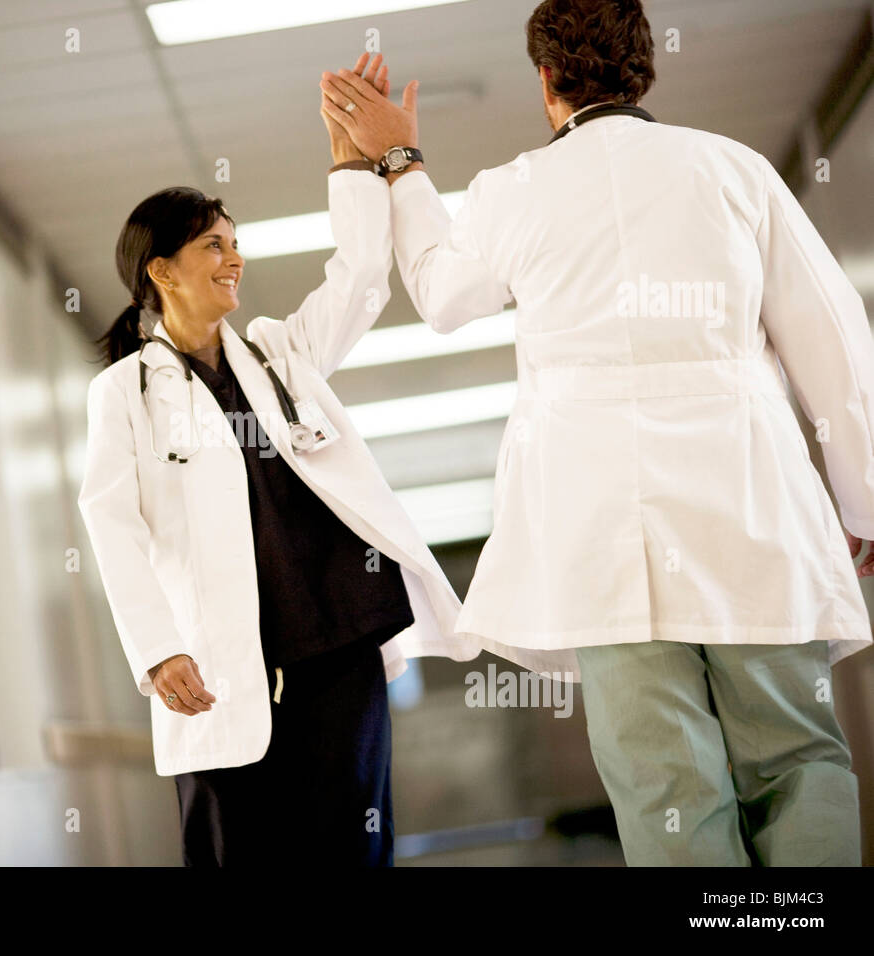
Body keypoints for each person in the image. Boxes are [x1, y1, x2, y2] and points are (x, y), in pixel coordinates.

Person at [320, 0, 874, 866]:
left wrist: (399, 161)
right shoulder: (733, 170)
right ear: (644, 65)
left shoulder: (517, 190)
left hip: (604, 537)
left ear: (547, 80)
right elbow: (836, 346)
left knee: (667, 791)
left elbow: (442, 294)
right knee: (799, 759)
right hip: (753, 515)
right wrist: (862, 502)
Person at [78, 54, 569, 867]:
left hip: (335, 641)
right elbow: (111, 525)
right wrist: (157, 648)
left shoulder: (277, 351)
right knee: (236, 849)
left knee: (353, 843)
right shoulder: (124, 394)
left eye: (235, 244)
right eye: (211, 246)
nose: (233, 260)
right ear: (160, 270)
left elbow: (362, 281)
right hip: (218, 659)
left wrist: (353, 165)